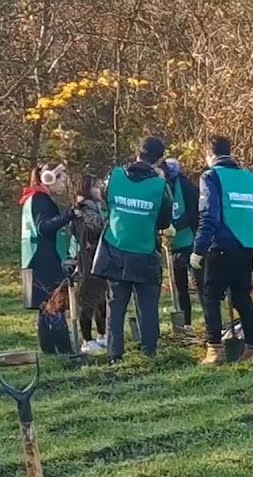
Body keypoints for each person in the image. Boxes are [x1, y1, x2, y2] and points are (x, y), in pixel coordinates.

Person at [91, 136, 173, 363]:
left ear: (137, 152)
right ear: (160, 159)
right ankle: (149, 352)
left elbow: (106, 202)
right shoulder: (160, 186)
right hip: (145, 251)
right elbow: (165, 221)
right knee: (147, 305)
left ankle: (114, 353)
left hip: (115, 248)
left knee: (115, 304)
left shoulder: (115, 176)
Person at [191, 134, 253, 365]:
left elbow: (209, 215)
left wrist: (198, 249)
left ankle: (214, 348)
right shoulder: (249, 178)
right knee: (243, 298)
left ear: (209, 154)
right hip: (246, 246)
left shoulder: (211, 176)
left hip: (221, 246)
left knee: (211, 296)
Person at [20, 163, 78, 311]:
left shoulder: (33, 198)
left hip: (33, 259)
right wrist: (68, 216)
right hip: (45, 263)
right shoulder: (41, 200)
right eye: (62, 180)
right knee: (52, 310)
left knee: (47, 311)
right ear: (50, 178)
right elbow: (43, 228)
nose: (64, 184)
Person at [71, 175, 109, 355]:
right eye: (96, 187)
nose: (99, 190)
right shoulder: (84, 209)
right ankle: (87, 339)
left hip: (99, 258)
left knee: (101, 299)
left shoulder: (99, 207)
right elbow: (99, 227)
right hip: (88, 259)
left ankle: (102, 334)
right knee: (87, 300)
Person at [162, 158, 199, 331]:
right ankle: (186, 323)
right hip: (172, 244)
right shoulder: (161, 187)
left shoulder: (187, 187)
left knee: (200, 284)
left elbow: (194, 213)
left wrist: (176, 225)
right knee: (180, 287)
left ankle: (210, 322)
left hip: (190, 241)